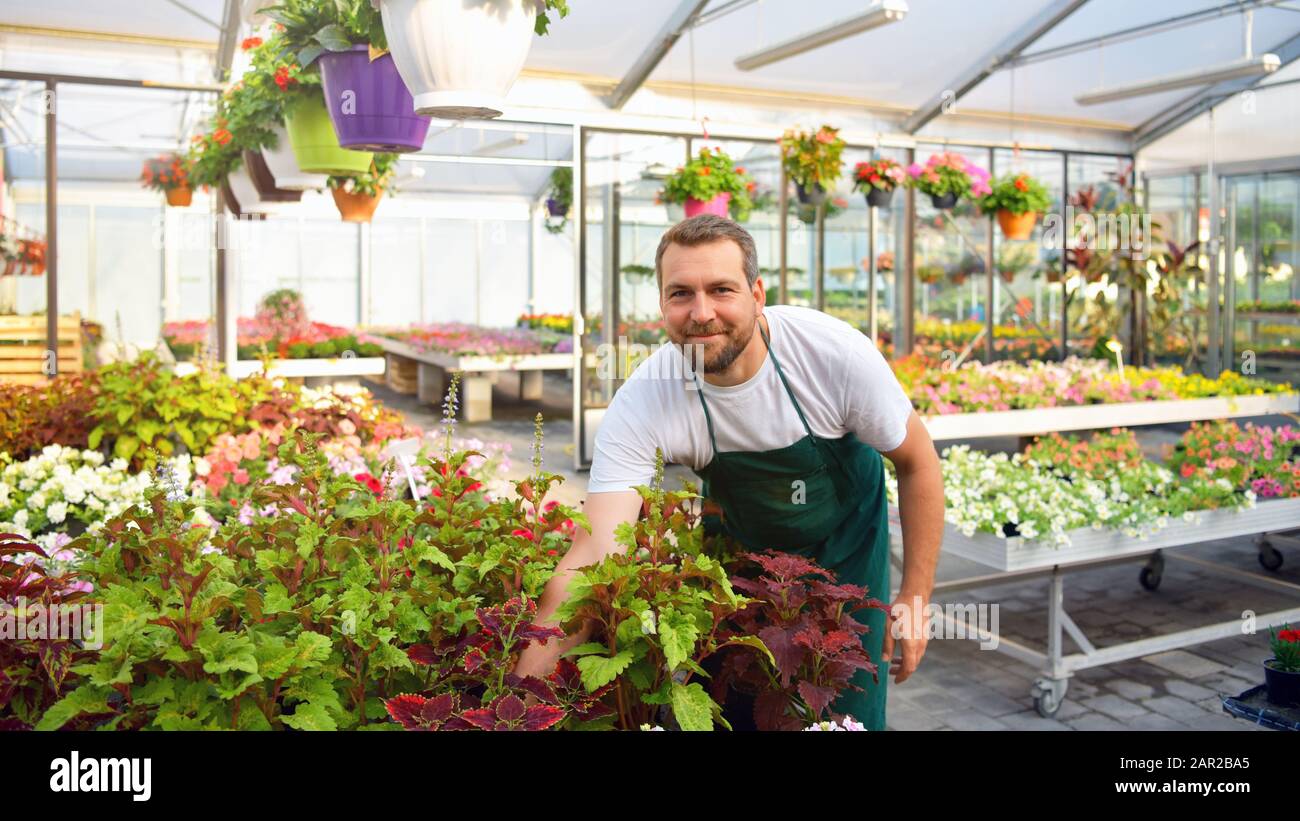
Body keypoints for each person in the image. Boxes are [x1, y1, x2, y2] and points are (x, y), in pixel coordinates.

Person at [514, 214, 944, 730]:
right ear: (661, 306)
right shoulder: (647, 398)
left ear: (757, 294)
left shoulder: (832, 355)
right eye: (680, 294)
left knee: (841, 705)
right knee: (736, 703)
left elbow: (918, 462)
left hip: (848, 553)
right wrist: (521, 703)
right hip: (741, 560)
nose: (701, 313)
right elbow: (593, 553)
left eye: (721, 289)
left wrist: (915, 595)